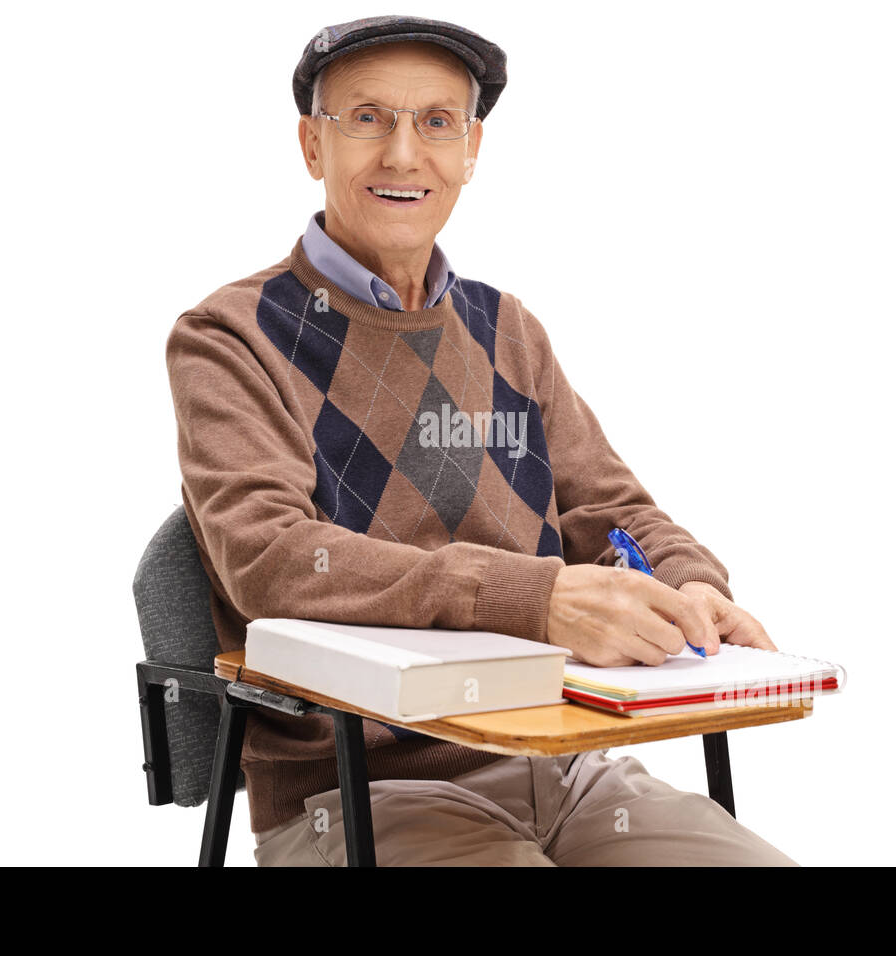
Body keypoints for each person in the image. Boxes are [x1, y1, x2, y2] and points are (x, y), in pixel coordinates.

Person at [165, 15, 796, 866]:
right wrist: (534, 600)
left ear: (471, 152)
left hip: (569, 770)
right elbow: (271, 559)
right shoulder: (230, 337)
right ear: (313, 145)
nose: (401, 154)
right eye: (366, 118)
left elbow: (610, 508)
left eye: (436, 122)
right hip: (358, 795)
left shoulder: (507, 329)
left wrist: (691, 586)